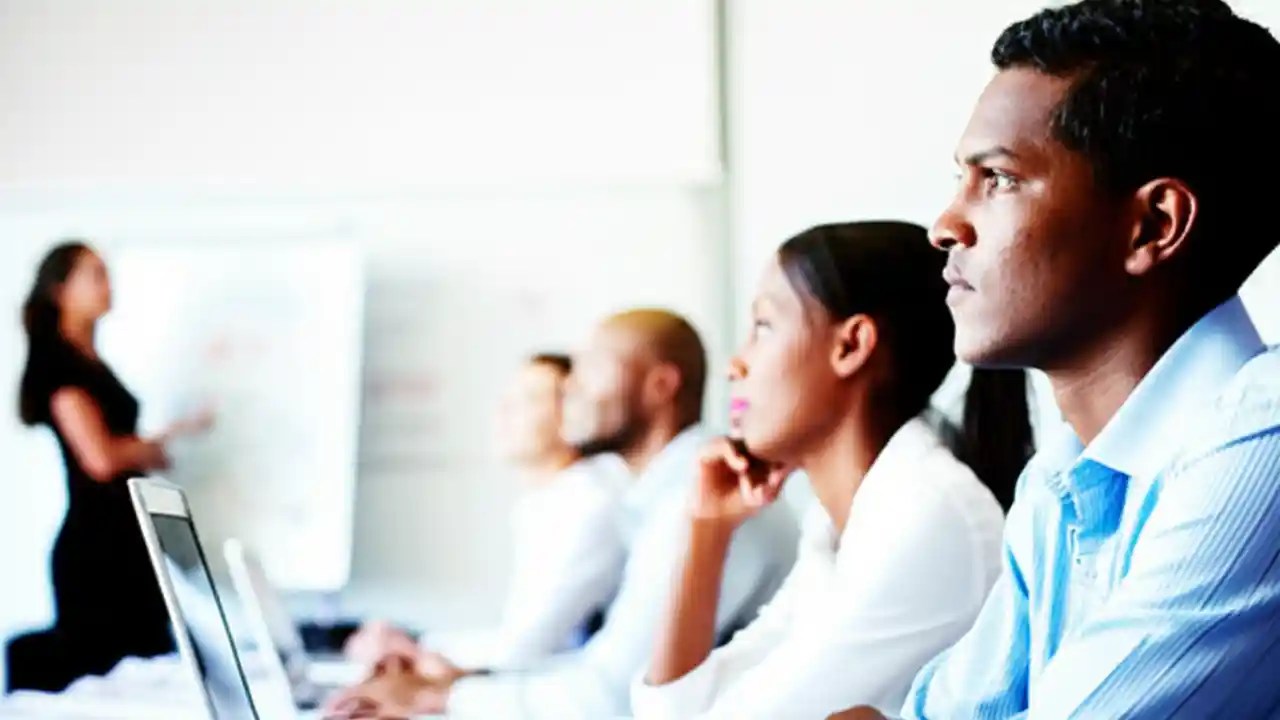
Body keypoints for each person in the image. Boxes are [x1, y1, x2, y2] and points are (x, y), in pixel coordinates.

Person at [847, 1, 1280, 717]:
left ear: (1154, 225)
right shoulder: (1060, 480)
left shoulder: (1265, 439)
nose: (945, 225)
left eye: (1001, 180)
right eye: (962, 178)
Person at [632, 222, 1031, 718]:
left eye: (763, 327)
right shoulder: (842, 520)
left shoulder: (928, 513)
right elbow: (674, 709)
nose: (736, 364)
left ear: (851, 345)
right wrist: (705, 529)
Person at [328, 309, 799, 719]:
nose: (570, 389)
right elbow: (600, 667)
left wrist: (443, 697)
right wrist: (449, 686)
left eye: (591, 369)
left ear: (660, 386)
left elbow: (615, 696)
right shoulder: (661, 496)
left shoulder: (701, 497)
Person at [5, 241, 211, 692]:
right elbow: (100, 459)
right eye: (94, 274)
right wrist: (156, 446)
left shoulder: (89, 361)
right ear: (61, 289)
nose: (107, 285)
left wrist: (159, 442)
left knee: (151, 673)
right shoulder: (58, 365)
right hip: (97, 551)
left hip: (127, 540)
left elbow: (114, 446)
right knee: (108, 680)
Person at [344, 353, 629, 672]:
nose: (504, 411)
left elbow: (523, 650)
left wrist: (415, 651)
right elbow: (517, 635)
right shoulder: (545, 503)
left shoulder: (587, 502)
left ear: (573, 415)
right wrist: (419, 643)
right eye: (506, 398)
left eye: (529, 399)